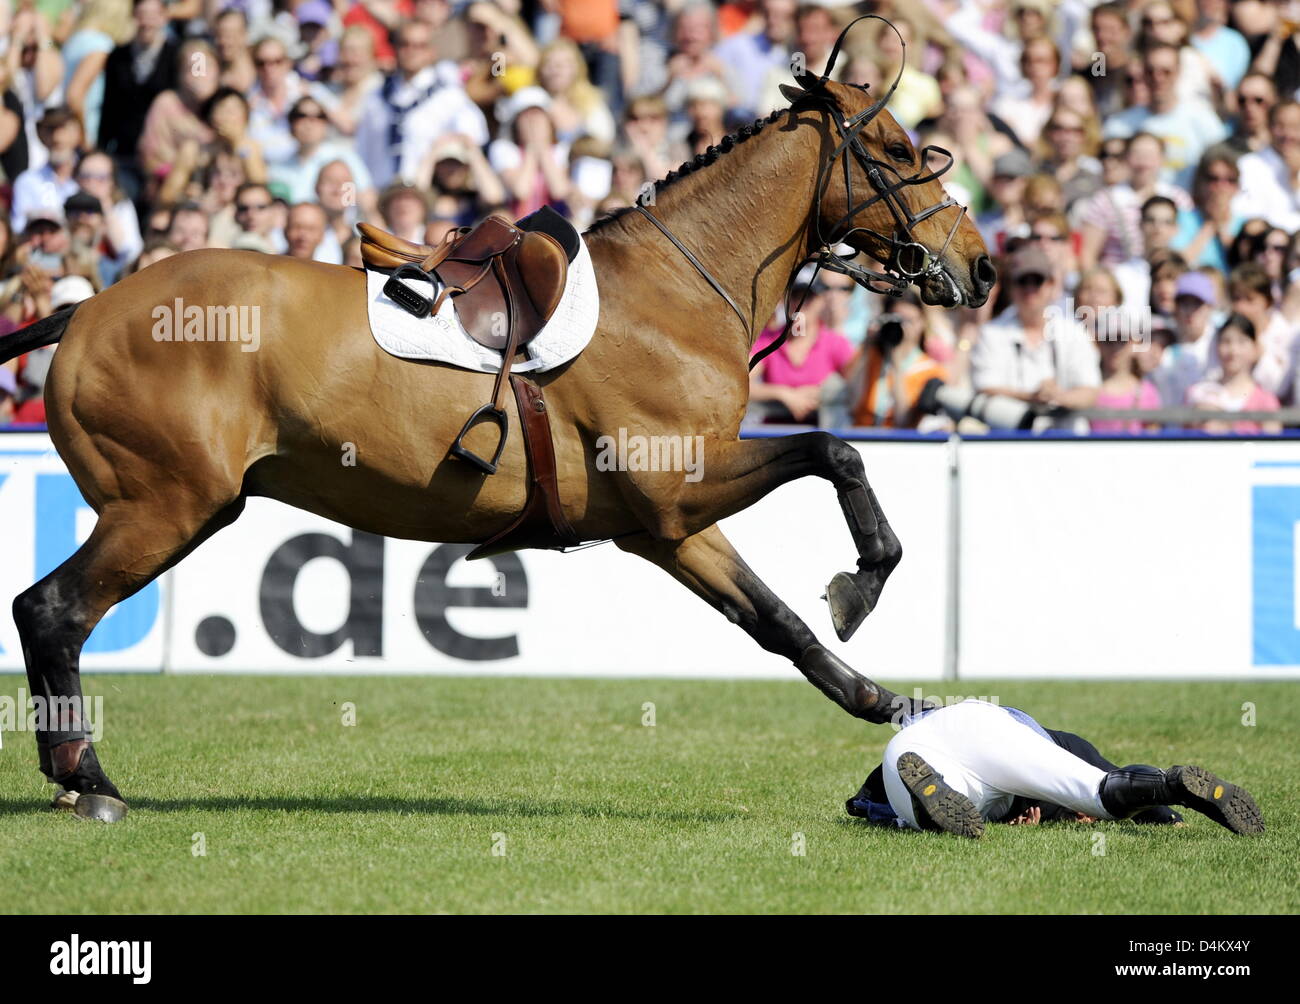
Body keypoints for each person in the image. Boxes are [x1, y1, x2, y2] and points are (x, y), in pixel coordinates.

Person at [845, 697, 1263, 839]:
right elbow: (1102, 776)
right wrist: (1165, 818)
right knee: (1102, 791)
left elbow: (861, 802)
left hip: (916, 744)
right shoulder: (1059, 747)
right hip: (989, 729)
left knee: (937, 804)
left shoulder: (1052, 747)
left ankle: (927, 800)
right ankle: (1171, 786)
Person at [970, 245, 1101, 428]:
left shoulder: (1073, 331)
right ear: (1011, 286)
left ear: (1050, 285)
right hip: (1007, 440)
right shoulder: (991, 333)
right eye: (1023, 281)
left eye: (1036, 281)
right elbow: (984, 387)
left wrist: (1056, 396)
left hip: (1065, 440)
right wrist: (1033, 397)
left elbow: (1090, 391)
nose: (1030, 289)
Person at [1186, 311, 1282, 433]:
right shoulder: (1198, 393)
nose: (1233, 351)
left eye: (1242, 342)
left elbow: (1273, 444)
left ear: (1255, 349)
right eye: (1226, 341)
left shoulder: (1266, 401)